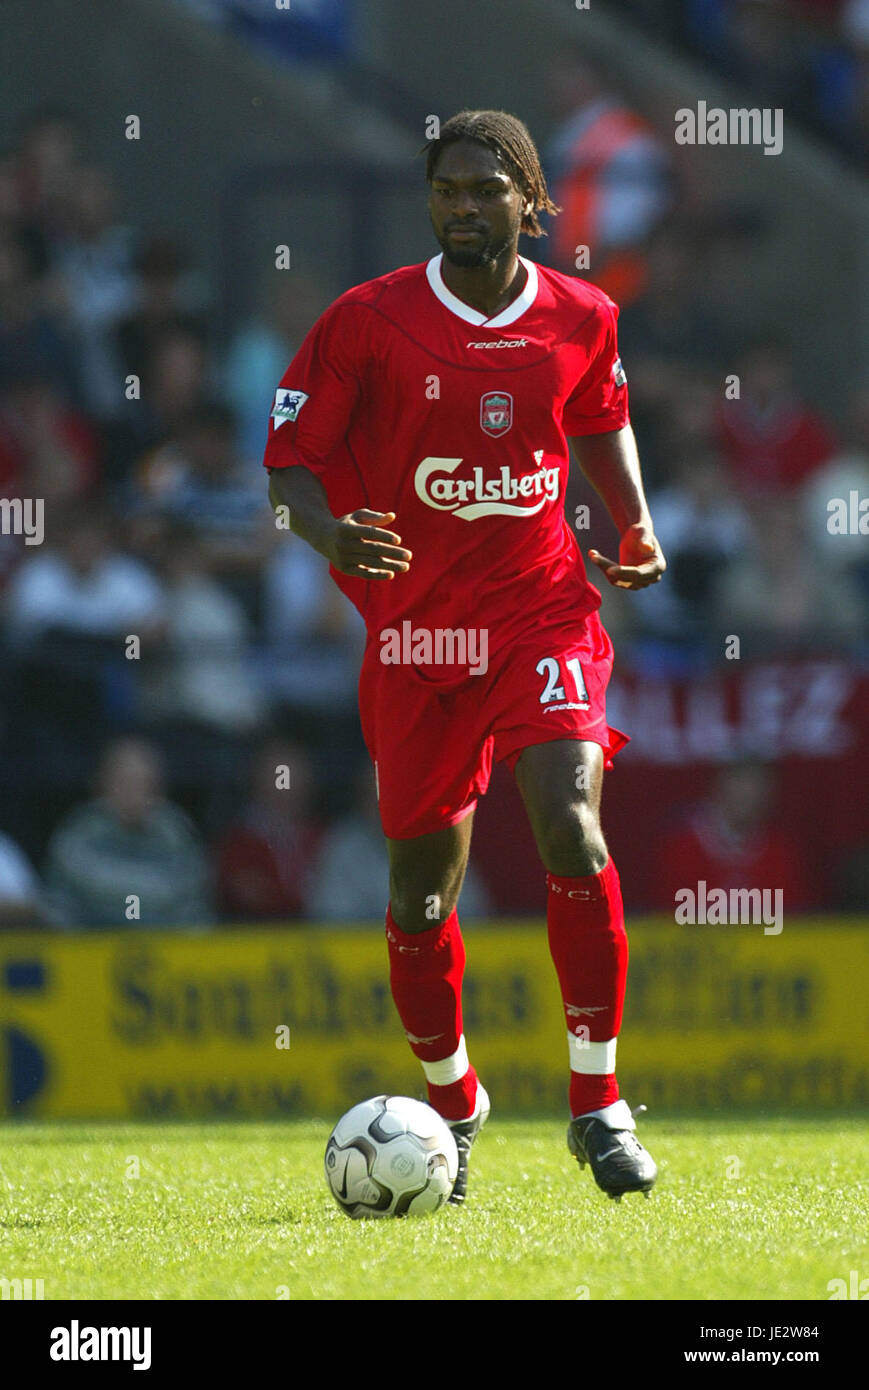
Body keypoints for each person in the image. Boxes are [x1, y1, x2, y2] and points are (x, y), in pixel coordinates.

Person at [264, 110, 667, 1204]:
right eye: (446, 189)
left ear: (530, 202)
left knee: (571, 832)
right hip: (417, 635)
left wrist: (629, 521)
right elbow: (289, 464)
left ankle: (597, 1103)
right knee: (421, 899)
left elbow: (599, 416)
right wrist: (326, 531)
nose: (461, 207)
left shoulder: (580, 314)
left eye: (485, 190)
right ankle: (453, 1096)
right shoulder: (367, 321)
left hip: (541, 611)